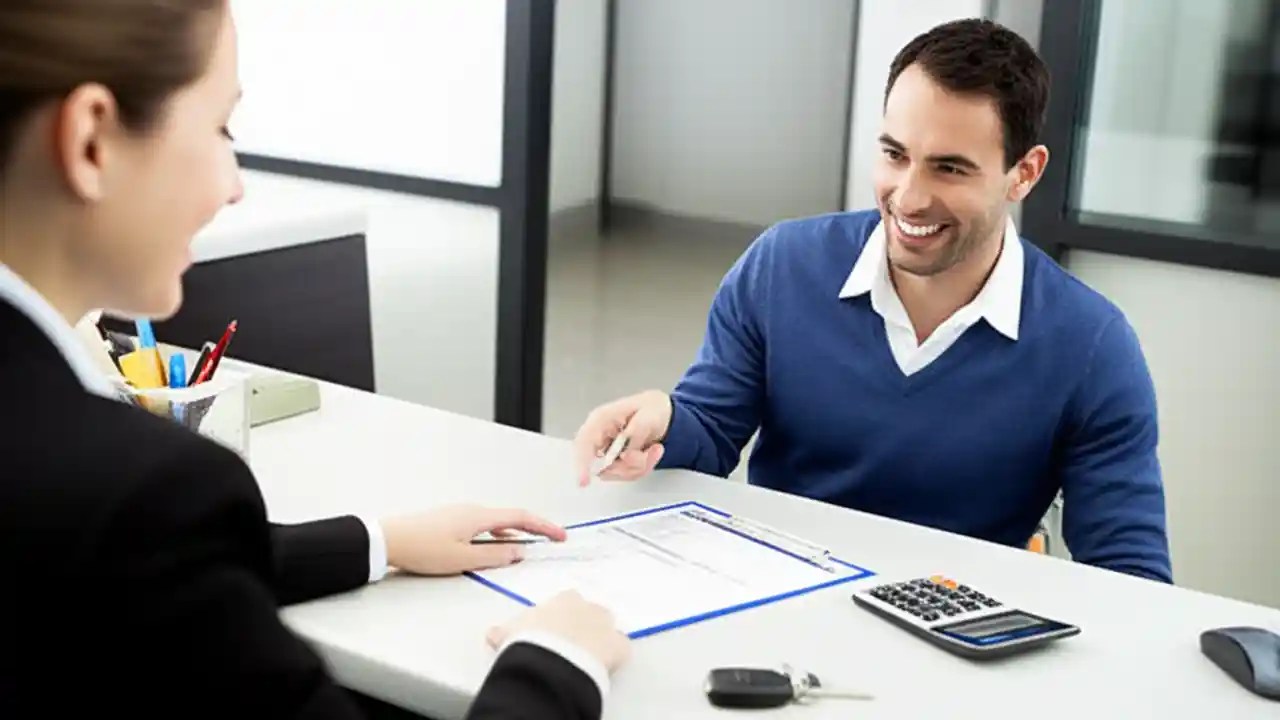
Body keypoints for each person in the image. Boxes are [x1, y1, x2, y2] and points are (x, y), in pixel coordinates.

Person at [0, 1, 628, 717]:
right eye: (219, 127)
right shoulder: (139, 492)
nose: (234, 185)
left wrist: (381, 541)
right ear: (91, 143)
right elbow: (132, 542)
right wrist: (556, 662)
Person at [575, 18, 1172, 583]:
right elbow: (710, 430)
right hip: (774, 592)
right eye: (895, 154)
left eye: (950, 169)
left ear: (1024, 174)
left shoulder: (1092, 344)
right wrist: (664, 421)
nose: (909, 198)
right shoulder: (782, 265)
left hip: (956, 634)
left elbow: (1130, 575)